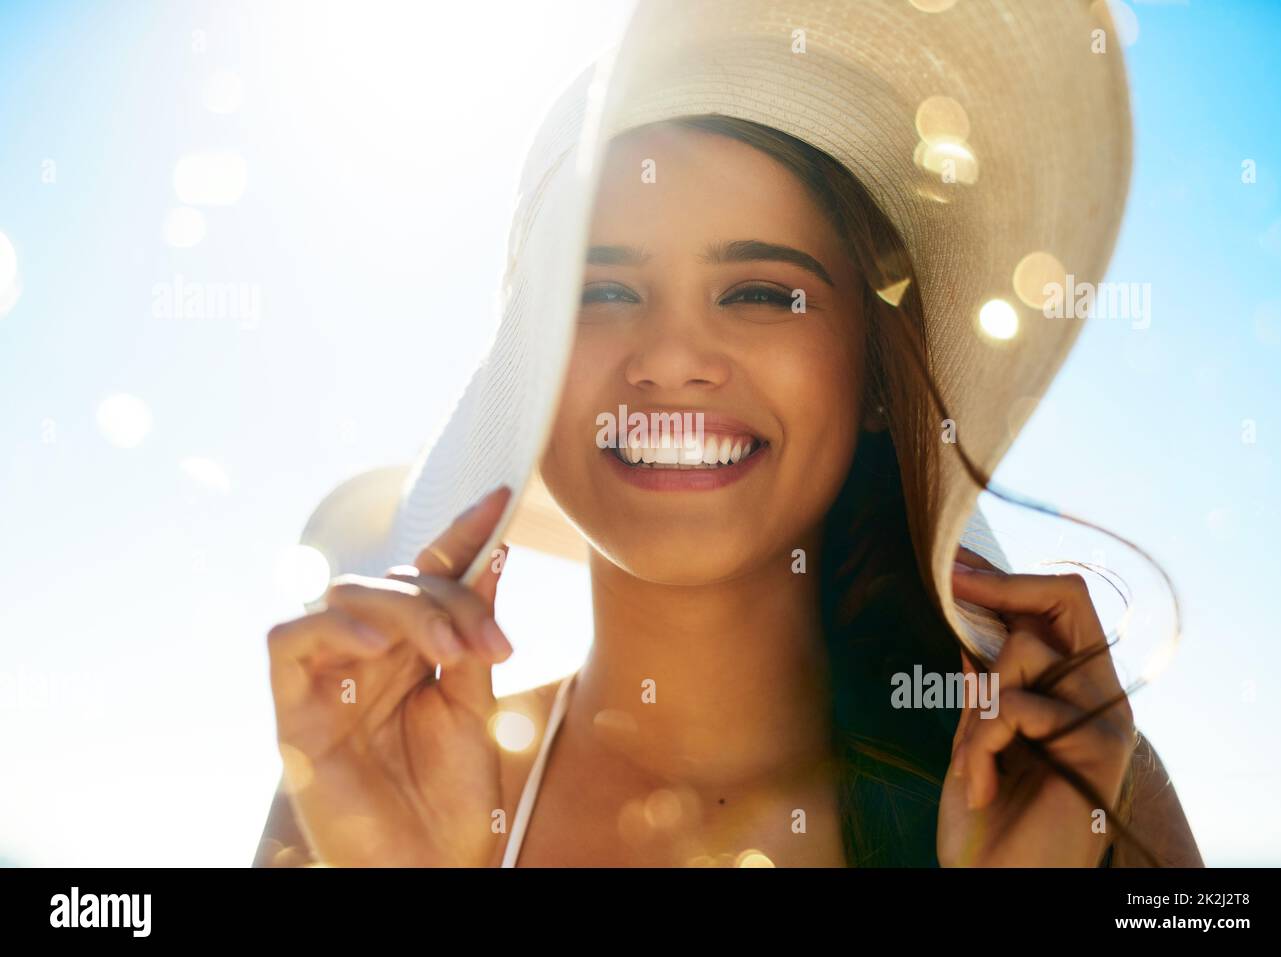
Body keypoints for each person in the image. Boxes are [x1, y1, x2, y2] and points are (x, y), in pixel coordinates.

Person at [255, 0, 1203, 867]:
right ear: (528, 369)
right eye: (603, 292)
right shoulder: (367, 790)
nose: (670, 357)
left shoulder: (1078, 787)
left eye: (760, 292)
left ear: (874, 371)